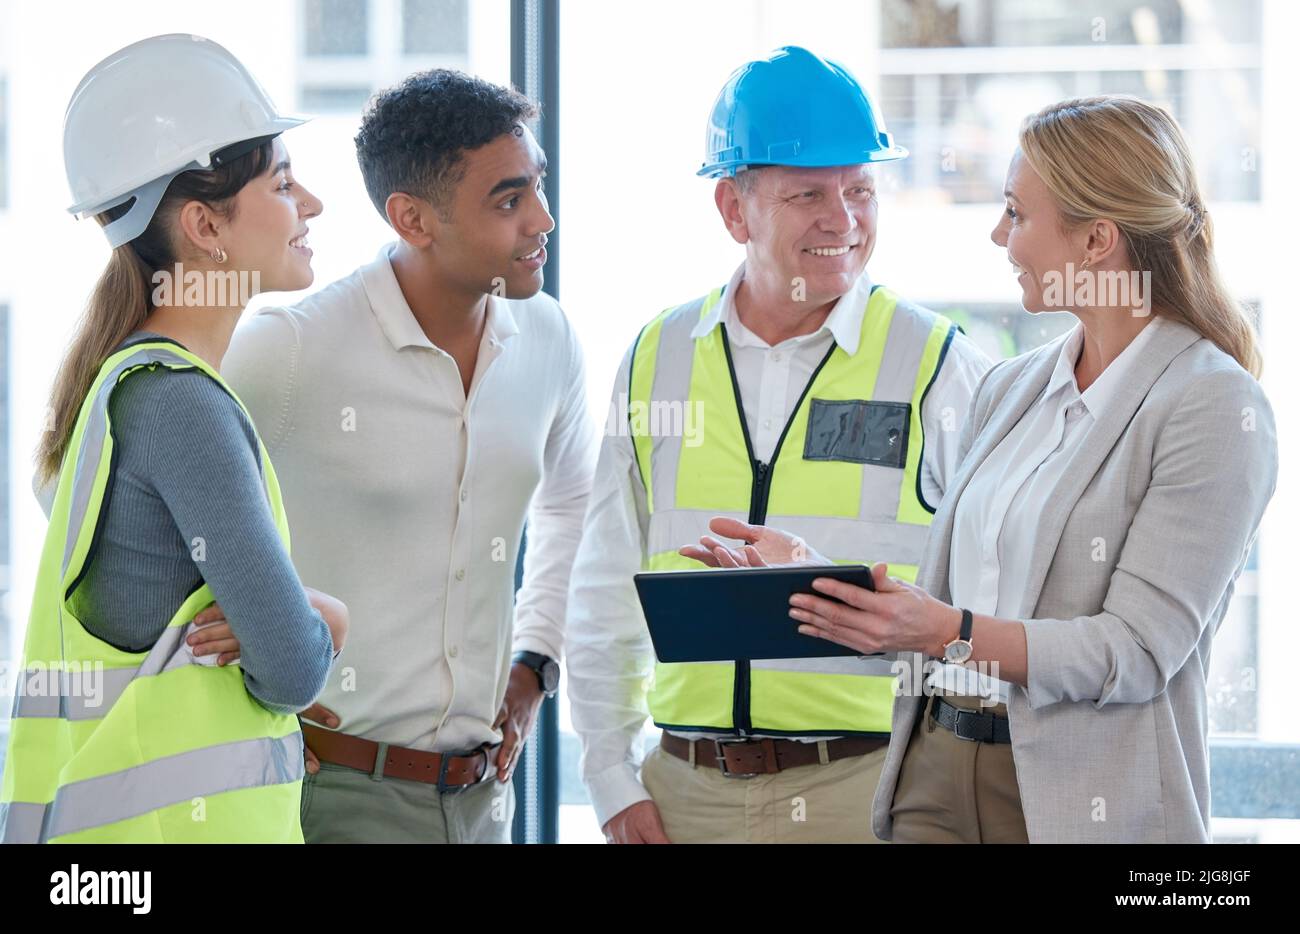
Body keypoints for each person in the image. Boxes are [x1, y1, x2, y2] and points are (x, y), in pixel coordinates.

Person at [694, 96, 1278, 844]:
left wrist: (949, 633)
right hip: (934, 771)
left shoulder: (1211, 406)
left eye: (1017, 213)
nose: (999, 235)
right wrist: (819, 579)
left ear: (1097, 239)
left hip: (1075, 801)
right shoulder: (1012, 388)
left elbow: (1134, 653)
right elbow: (947, 608)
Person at [565, 46, 991, 844]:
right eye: (808, 194)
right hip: (681, 792)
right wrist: (611, 778)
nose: (845, 219)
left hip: (867, 791)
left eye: (860, 188)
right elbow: (601, 588)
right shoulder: (659, 357)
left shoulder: (937, 364)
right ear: (733, 209)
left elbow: (991, 599)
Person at [221, 69, 595, 844]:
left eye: (539, 188)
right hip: (329, 791)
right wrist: (234, 631)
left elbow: (568, 501)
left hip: (485, 794)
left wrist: (535, 664)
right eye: (508, 200)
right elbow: (92, 484)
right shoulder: (290, 351)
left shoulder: (550, 338)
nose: (543, 220)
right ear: (413, 219)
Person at [0, 34, 347, 844]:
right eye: (285, 183)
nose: (314, 205)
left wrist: (281, 618)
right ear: (203, 224)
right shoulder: (181, 407)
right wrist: (323, 612)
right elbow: (294, 666)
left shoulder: (123, 384)